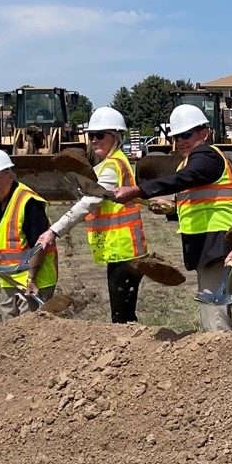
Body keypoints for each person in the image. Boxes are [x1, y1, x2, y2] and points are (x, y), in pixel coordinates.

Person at [104, 103, 232, 332]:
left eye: (186, 135)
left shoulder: (206, 155)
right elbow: (201, 203)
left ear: (204, 133)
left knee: (215, 316)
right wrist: (172, 208)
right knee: (213, 310)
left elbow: (184, 178)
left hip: (219, 244)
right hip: (210, 244)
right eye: (176, 137)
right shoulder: (191, 161)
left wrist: (139, 190)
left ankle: (222, 352)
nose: (180, 142)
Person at [0, 147, 59, 318]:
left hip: (35, 279)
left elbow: (39, 245)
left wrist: (31, 279)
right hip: (8, 278)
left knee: (30, 328)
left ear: (10, 175)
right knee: (9, 326)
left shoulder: (29, 202)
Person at [83, 106, 148, 324]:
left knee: (122, 318)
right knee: (123, 316)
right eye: (91, 135)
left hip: (123, 250)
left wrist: (55, 231)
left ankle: (130, 346)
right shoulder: (109, 164)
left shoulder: (112, 166)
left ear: (117, 136)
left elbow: (87, 204)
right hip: (120, 249)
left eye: (100, 135)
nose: (94, 140)